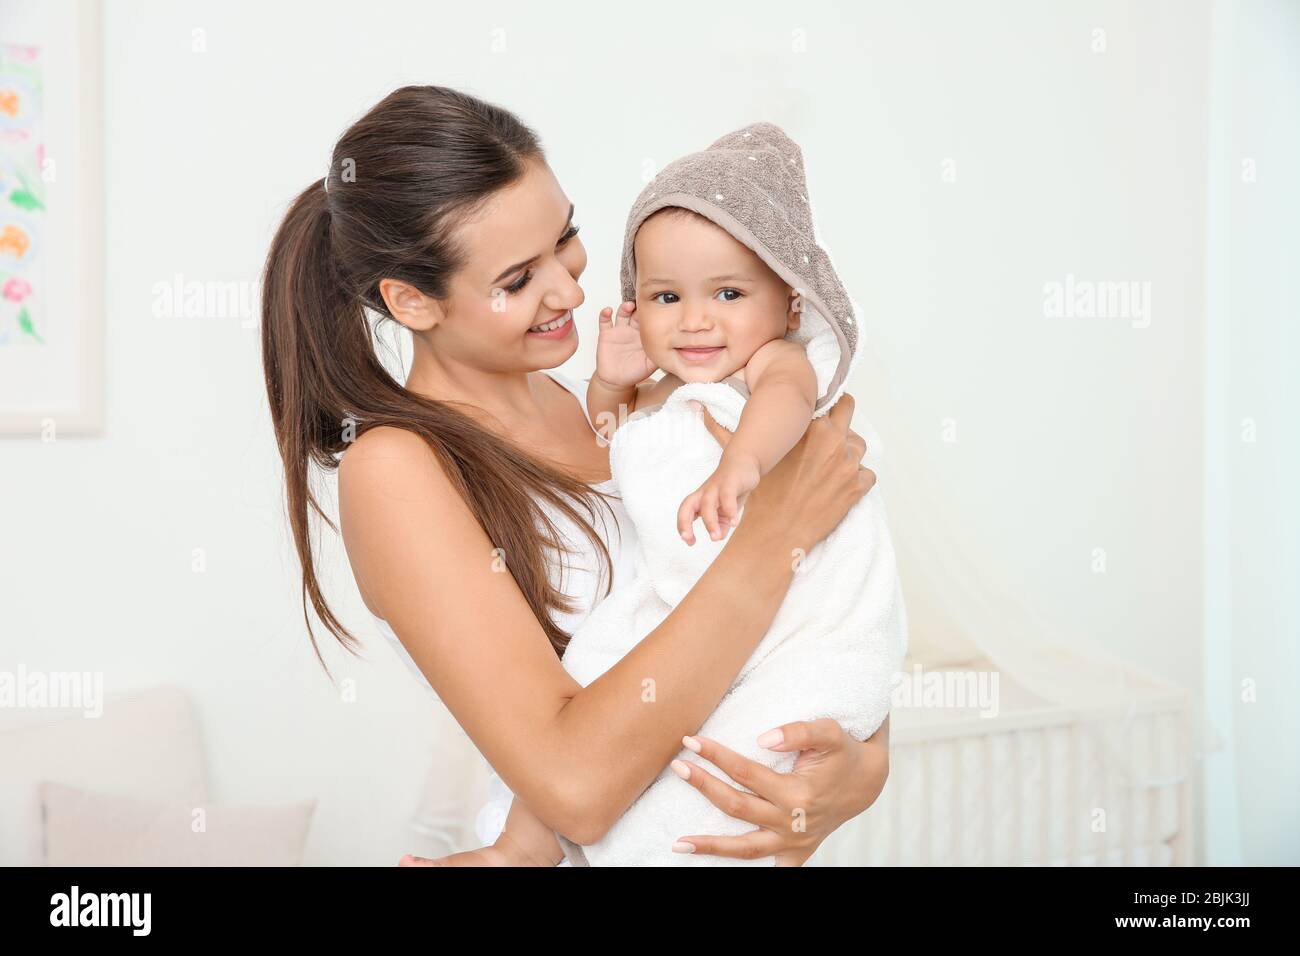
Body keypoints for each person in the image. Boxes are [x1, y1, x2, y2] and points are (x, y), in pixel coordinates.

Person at [260, 85, 889, 867]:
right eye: (518, 280)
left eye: (567, 239)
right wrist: (777, 532)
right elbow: (575, 786)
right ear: (412, 302)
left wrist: (861, 770)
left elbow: (804, 608)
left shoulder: (602, 403)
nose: (568, 288)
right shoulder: (396, 468)